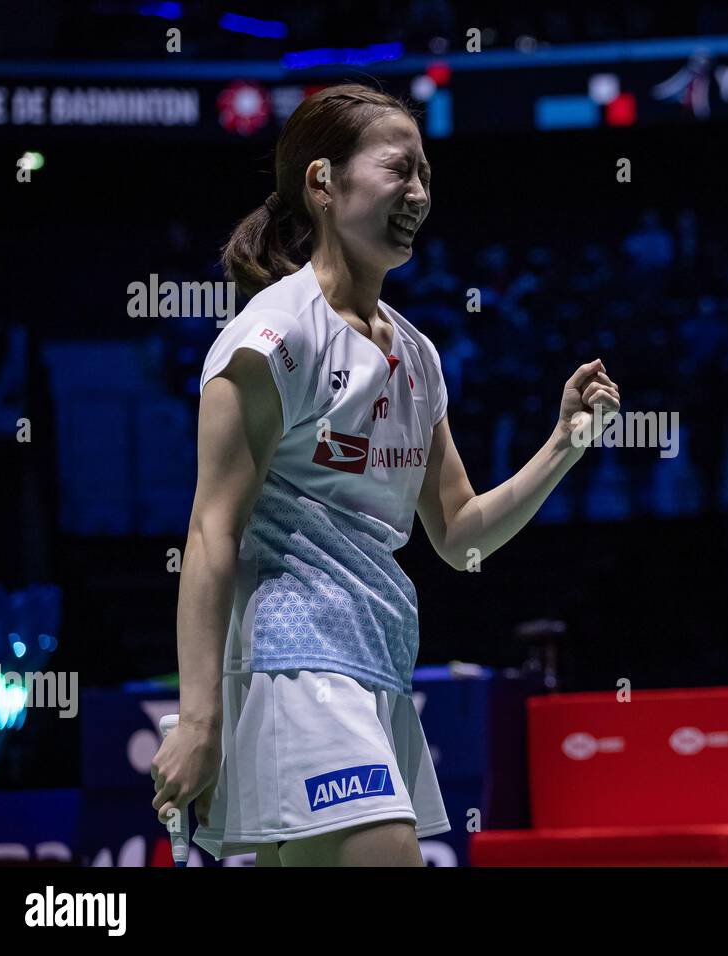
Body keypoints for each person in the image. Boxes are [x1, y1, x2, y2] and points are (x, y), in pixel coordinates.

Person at [149, 84, 620, 866]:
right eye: (400, 171)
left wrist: (565, 443)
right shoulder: (273, 339)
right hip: (295, 662)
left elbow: (461, 535)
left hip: (379, 660)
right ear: (324, 183)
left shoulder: (418, 357)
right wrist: (197, 717)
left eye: (427, 176)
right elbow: (212, 528)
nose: (419, 194)